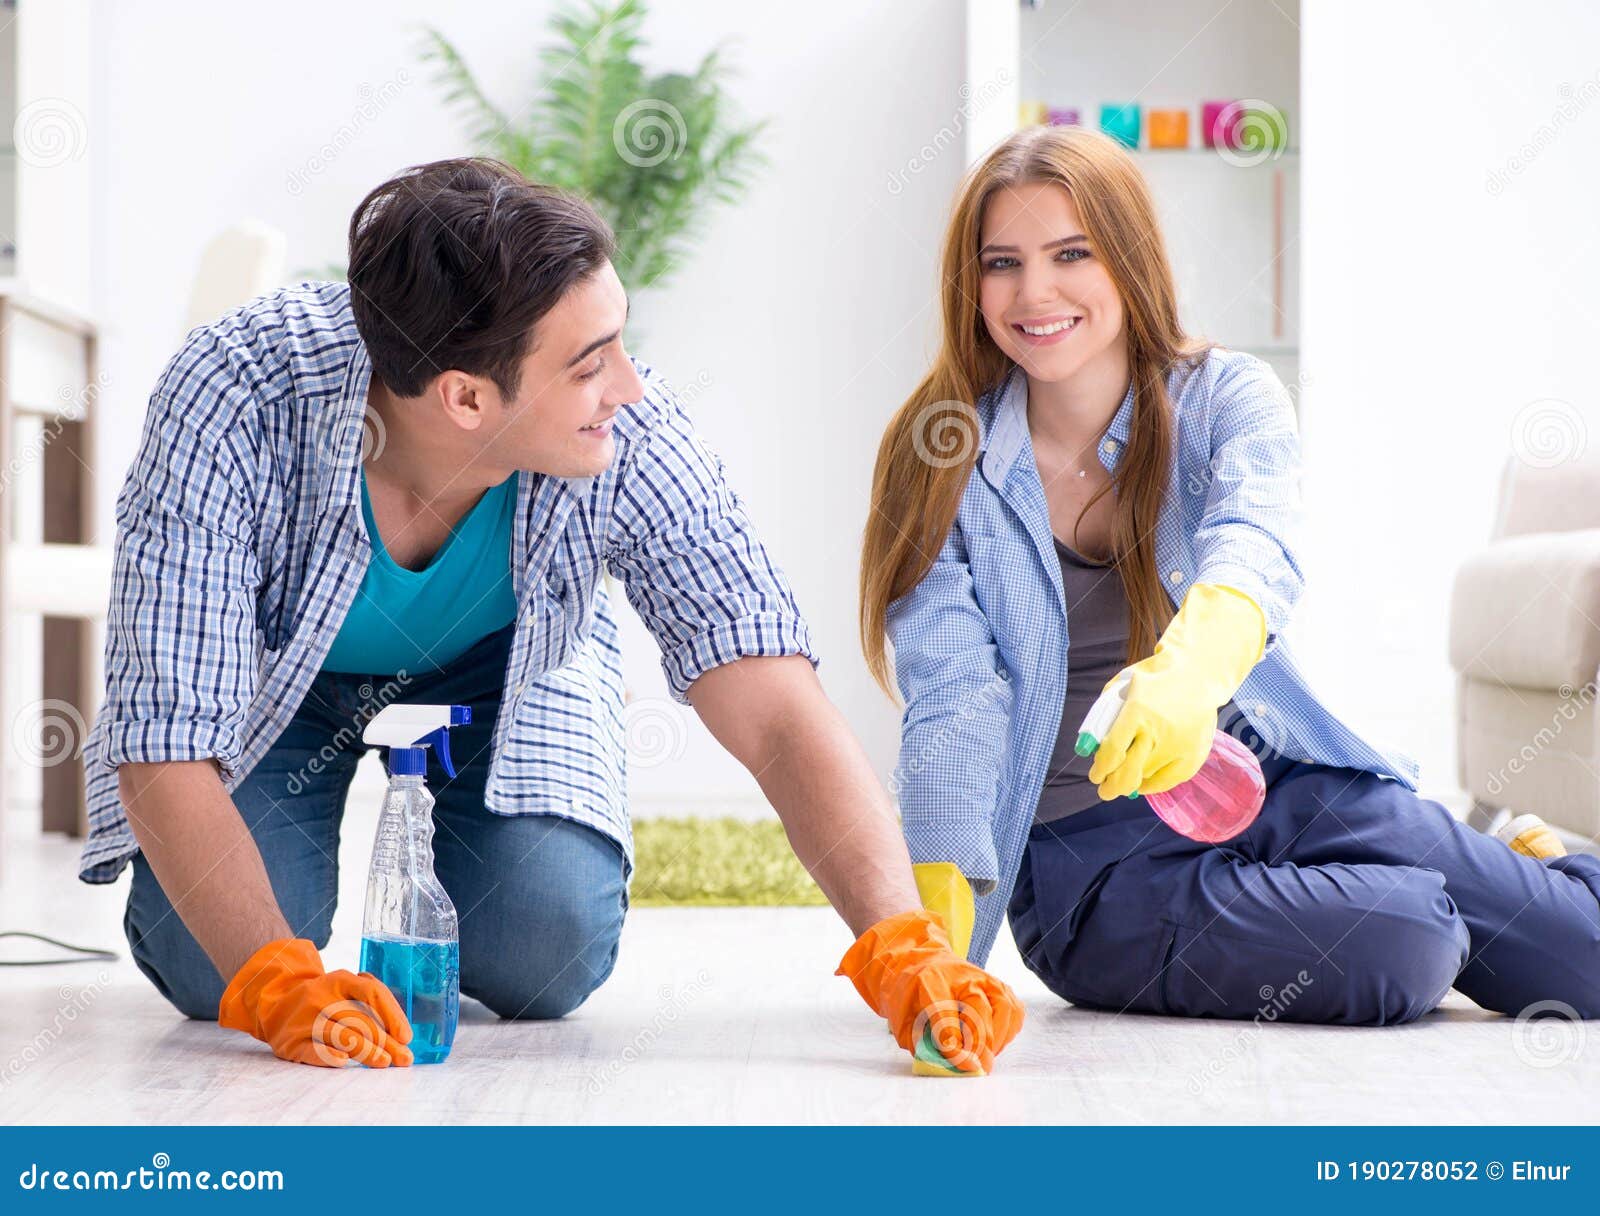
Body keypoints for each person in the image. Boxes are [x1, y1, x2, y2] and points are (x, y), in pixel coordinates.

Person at [81, 157, 1022, 1071]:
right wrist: (277, 980)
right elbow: (162, 738)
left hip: (507, 668)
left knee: (545, 947)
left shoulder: (627, 437)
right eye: (589, 364)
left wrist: (904, 943)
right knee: (214, 968)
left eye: (619, 341)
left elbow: (772, 700)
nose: (631, 387)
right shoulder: (237, 397)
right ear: (463, 397)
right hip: (273, 682)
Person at [860, 125, 1600, 1026]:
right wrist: (937, 939)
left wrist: (1190, 675)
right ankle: (1465, 880)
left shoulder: (1224, 397)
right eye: (1002, 263)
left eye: (1070, 254)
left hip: (1269, 777)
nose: (1035, 292)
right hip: (1096, 866)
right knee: (1410, 943)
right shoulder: (942, 456)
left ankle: (1529, 874)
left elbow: (1258, 540)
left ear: (1128, 259)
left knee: (1584, 962)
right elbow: (955, 701)